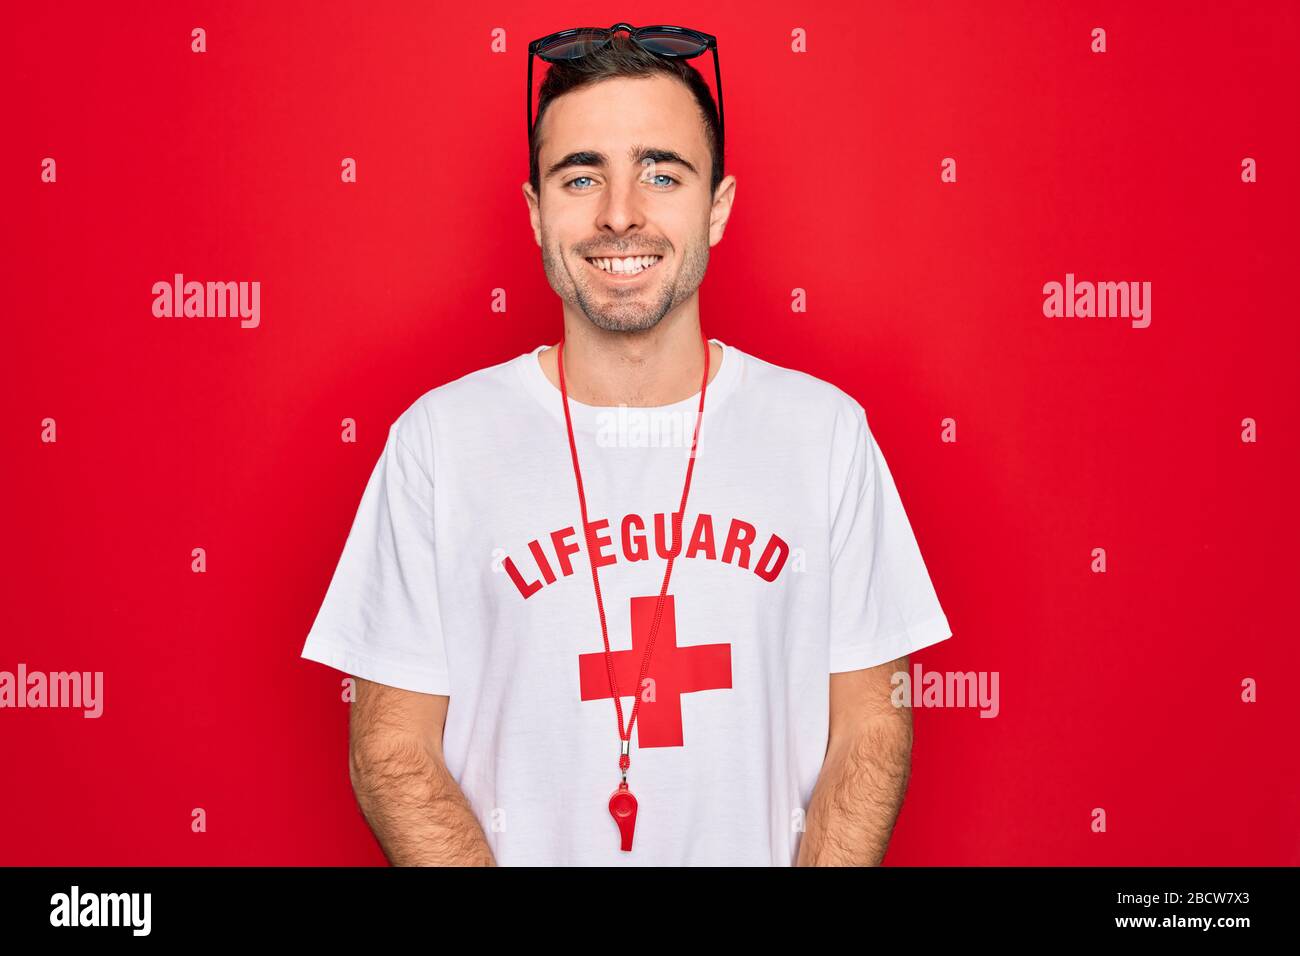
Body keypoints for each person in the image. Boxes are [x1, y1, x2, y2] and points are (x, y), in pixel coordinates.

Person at [300, 24, 952, 866]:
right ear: (537, 214)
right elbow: (392, 750)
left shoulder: (825, 433)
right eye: (581, 176)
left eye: (661, 171)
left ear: (717, 206)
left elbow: (870, 729)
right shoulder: (438, 442)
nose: (619, 213)